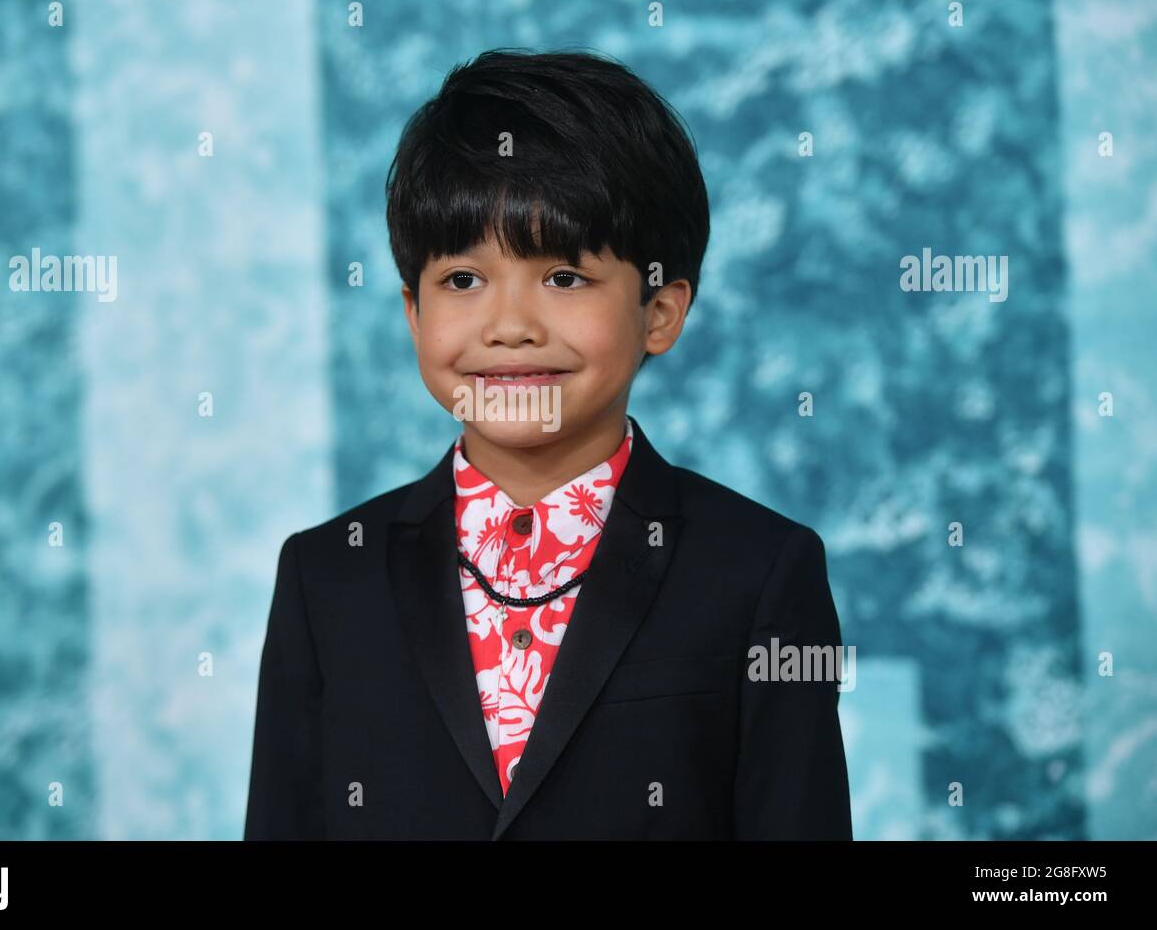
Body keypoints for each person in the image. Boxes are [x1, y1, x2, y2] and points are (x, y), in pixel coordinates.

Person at [245, 48, 852, 840]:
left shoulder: (760, 573)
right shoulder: (324, 578)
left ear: (660, 311)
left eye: (564, 277)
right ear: (412, 313)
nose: (510, 326)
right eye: (463, 280)